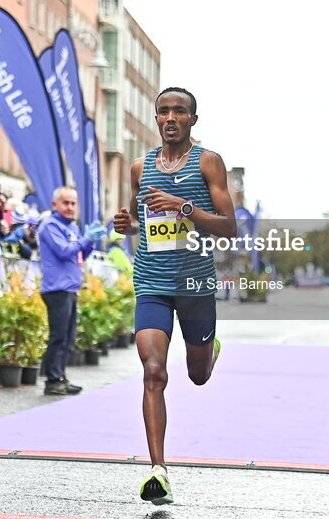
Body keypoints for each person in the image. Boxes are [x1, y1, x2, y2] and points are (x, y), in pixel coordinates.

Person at [113, 87, 236, 506]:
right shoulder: (139, 166)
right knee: (153, 371)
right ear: (156, 118)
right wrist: (124, 223)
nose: (170, 118)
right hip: (152, 282)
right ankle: (158, 471)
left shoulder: (209, 162)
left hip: (196, 285)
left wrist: (184, 207)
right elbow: (136, 219)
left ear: (192, 120)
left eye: (179, 112)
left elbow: (228, 227)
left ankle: (209, 349)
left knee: (197, 375)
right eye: (163, 111)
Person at [38, 186, 106, 396]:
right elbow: (63, 251)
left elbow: (78, 257)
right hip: (56, 288)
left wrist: (90, 242)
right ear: (54, 205)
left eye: (73, 203)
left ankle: (60, 376)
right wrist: (85, 239)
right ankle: (52, 380)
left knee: (68, 336)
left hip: (69, 287)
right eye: (65, 203)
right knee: (58, 336)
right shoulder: (50, 225)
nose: (70, 207)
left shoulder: (72, 228)